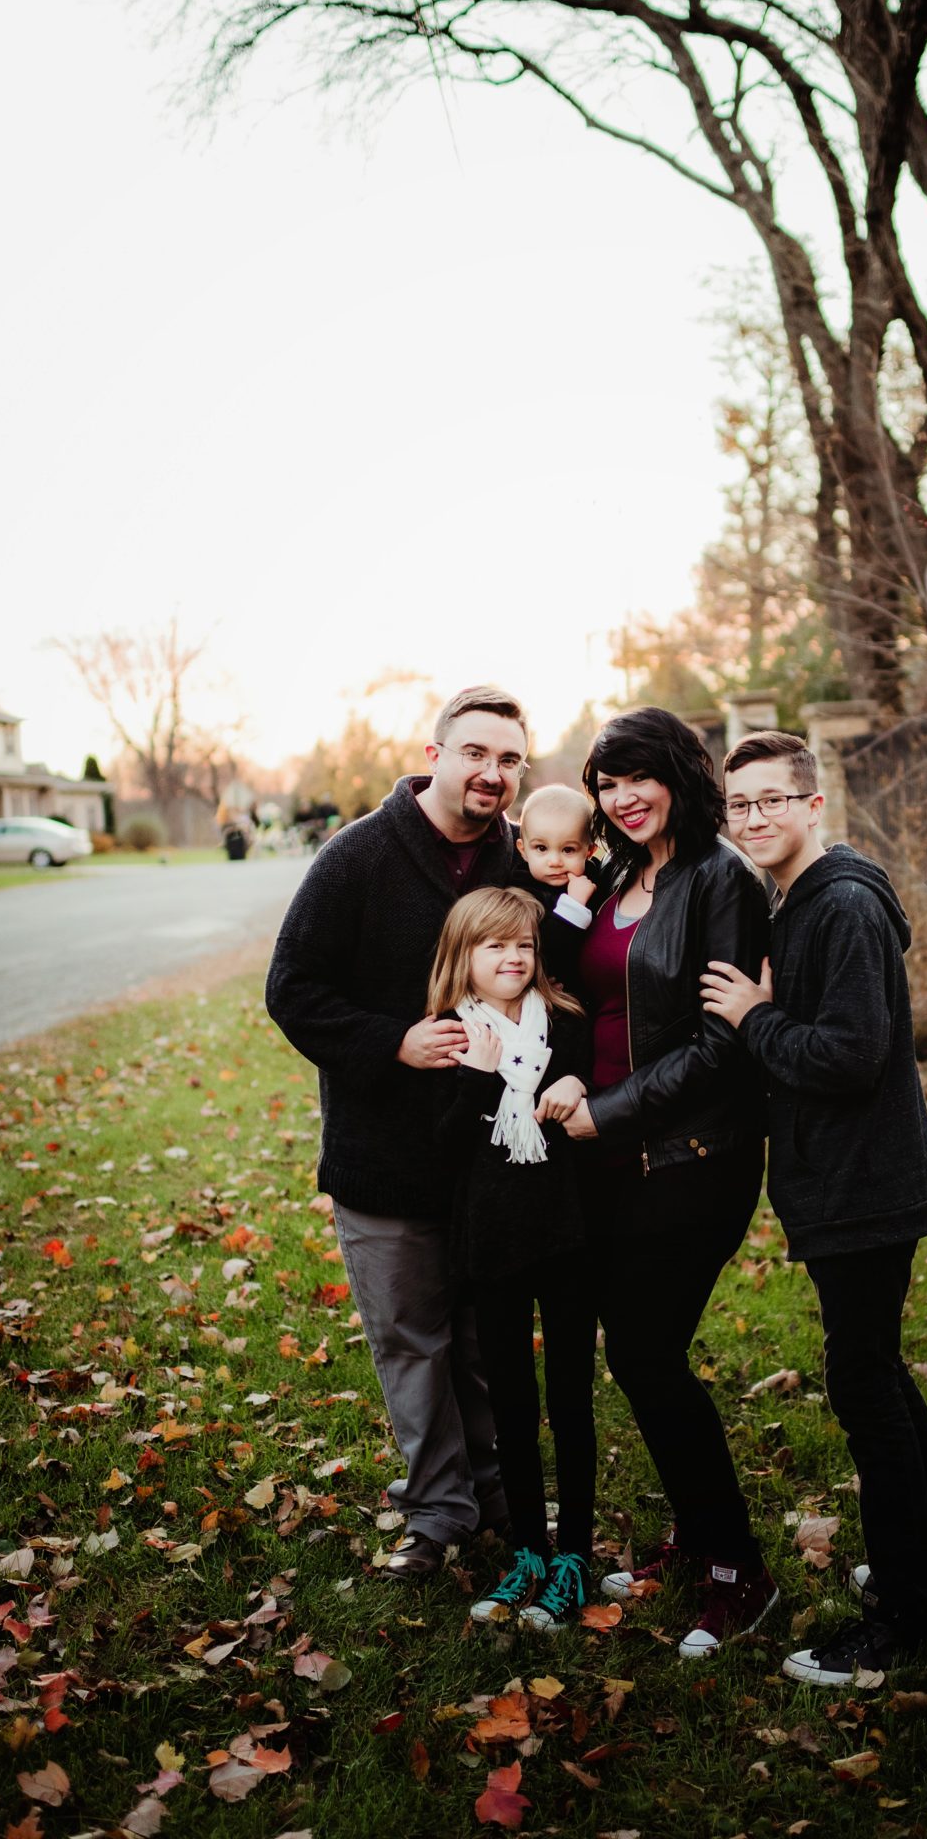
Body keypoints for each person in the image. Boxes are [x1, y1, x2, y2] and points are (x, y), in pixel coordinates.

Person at [700, 730, 927, 1686]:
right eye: (739, 806)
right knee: (879, 1377)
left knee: (863, 1388)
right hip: (846, 1182)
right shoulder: (801, 902)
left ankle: (899, 1611)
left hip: (864, 1185)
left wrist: (752, 1019)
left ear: (814, 806)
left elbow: (850, 1057)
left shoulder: (843, 909)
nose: (754, 819)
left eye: (773, 800)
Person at [264, 686, 530, 1577]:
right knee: (413, 1342)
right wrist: (393, 1042)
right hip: (383, 1158)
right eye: (476, 754)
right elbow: (292, 989)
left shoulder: (515, 860)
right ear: (437, 752)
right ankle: (438, 1513)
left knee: (484, 1343)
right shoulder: (358, 858)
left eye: (509, 760)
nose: (492, 774)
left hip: (487, 1159)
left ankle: (501, 1496)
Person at [561, 706, 776, 1659]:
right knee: (634, 1355)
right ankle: (694, 1538)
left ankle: (739, 1570)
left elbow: (721, 1045)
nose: (621, 798)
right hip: (607, 1158)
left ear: (677, 774)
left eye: (636, 777)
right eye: (606, 784)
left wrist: (609, 1109)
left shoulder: (720, 879)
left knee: (646, 1353)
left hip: (692, 1157)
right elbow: (588, 997)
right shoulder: (614, 874)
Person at [430, 886, 597, 1630]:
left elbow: (594, 1081)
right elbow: (436, 1151)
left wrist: (575, 1078)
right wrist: (475, 1078)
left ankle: (574, 1557)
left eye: (524, 945)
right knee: (512, 1407)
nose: (512, 958)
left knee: (569, 1399)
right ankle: (528, 1549)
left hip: (566, 1235)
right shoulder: (446, 1036)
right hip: (490, 1245)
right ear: (462, 958)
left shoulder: (564, 1021)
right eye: (493, 946)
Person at [513, 781, 603, 991]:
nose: (554, 861)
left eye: (568, 850)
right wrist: (573, 905)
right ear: (523, 850)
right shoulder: (519, 893)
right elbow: (542, 949)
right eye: (541, 848)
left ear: (589, 852)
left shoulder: (599, 881)